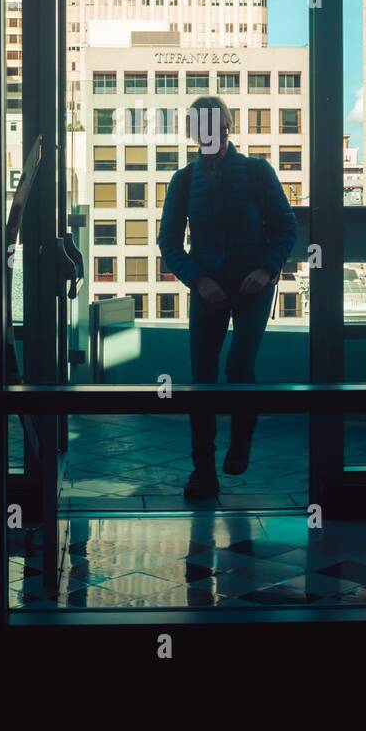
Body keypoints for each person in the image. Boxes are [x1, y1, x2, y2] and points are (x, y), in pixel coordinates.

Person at [157, 94, 297, 500]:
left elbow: (285, 227)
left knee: (239, 365)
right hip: (208, 289)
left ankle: (239, 443)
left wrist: (266, 270)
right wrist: (199, 281)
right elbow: (168, 242)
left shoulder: (256, 171)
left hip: (253, 286)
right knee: (202, 377)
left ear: (225, 127)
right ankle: (203, 470)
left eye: (209, 123)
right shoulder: (183, 180)